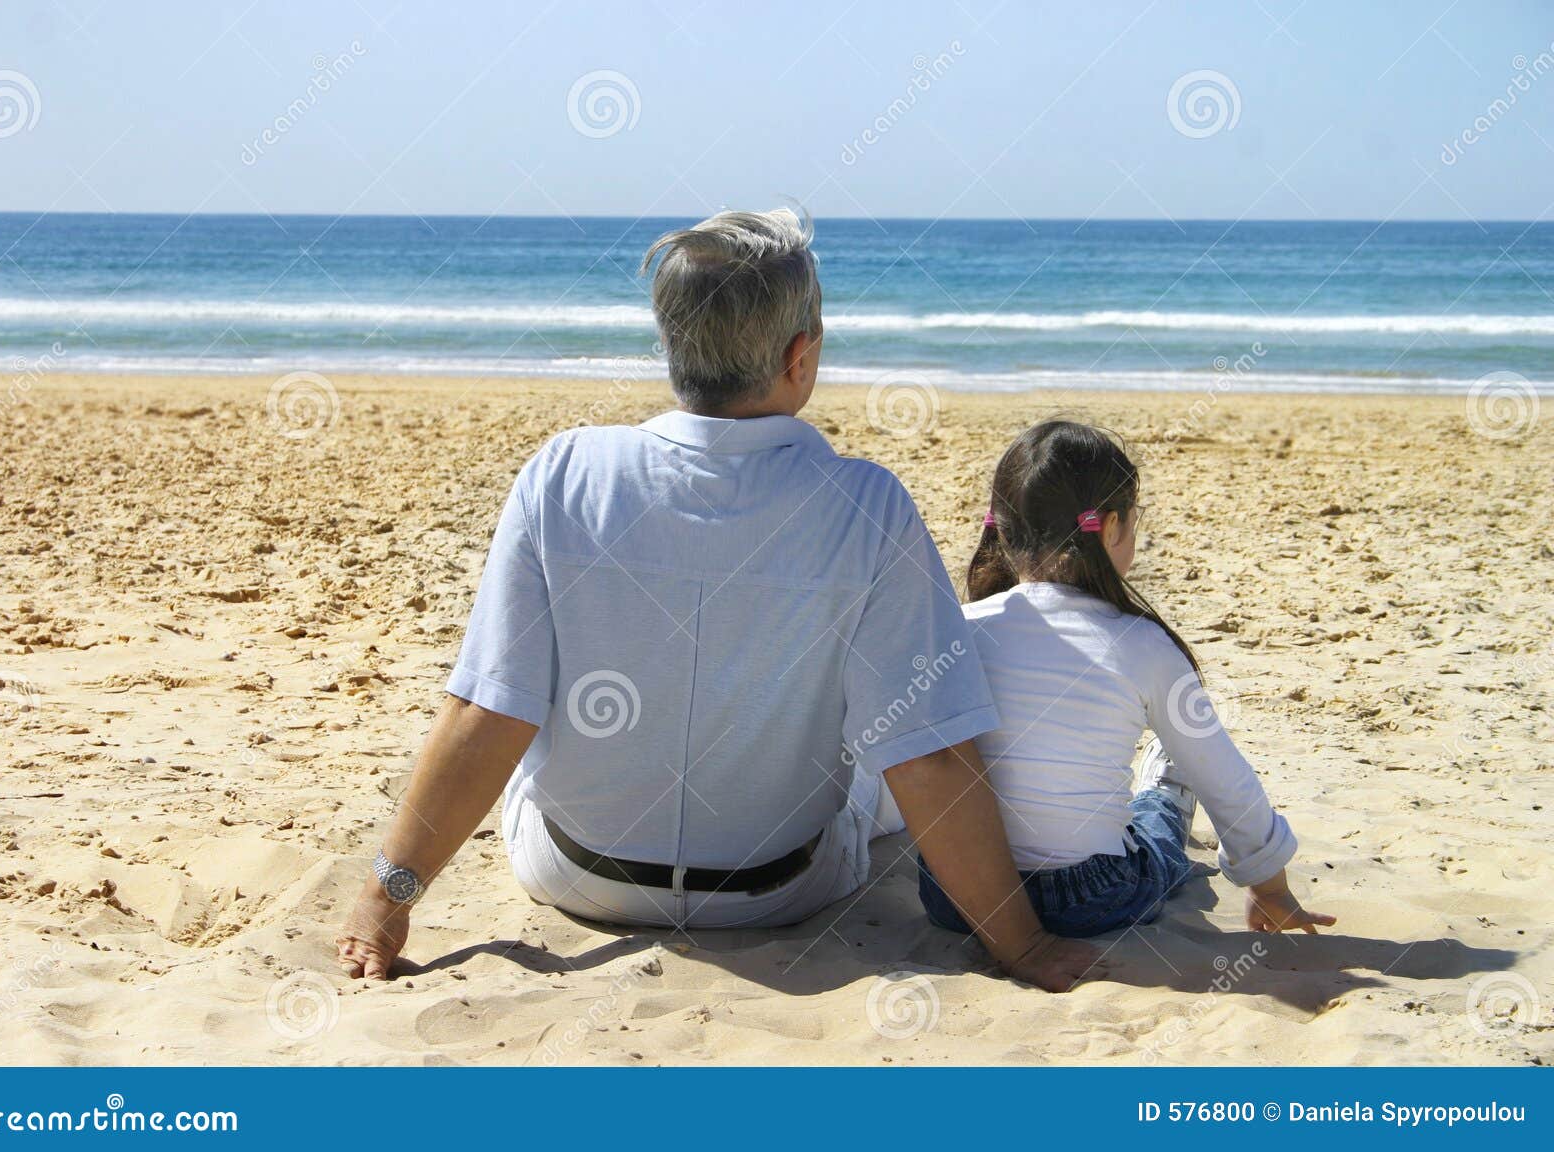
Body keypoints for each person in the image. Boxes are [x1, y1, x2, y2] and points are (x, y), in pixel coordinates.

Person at [336, 210, 1099, 991]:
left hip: (577, 877)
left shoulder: (562, 475)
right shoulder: (868, 506)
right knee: (884, 756)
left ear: (671, 345)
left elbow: (488, 713)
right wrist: (1023, 945)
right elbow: (928, 755)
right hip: (779, 891)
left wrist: (384, 899)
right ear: (799, 356)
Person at [918, 419, 1336, 940]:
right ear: (1112, 526)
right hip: (1088, 897)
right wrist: (1269, 887)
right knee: (1155, 825)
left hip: (956, 894)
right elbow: (1226, 782)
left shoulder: (958, 629)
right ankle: (1163, 786)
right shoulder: (1143, 644)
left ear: (1000, 530)